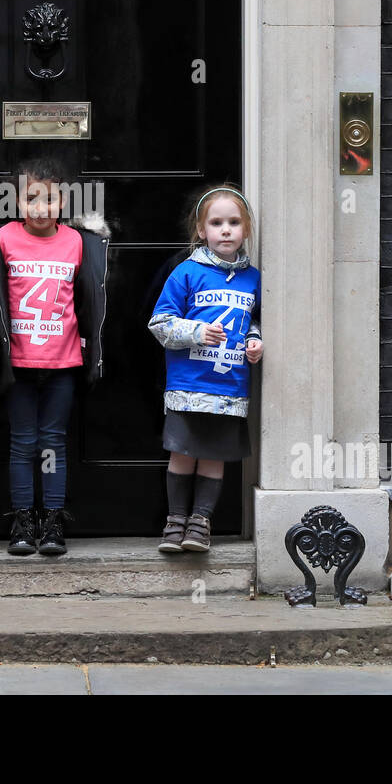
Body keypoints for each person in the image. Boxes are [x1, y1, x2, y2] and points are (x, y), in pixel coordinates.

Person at [0, 157, 108, 556]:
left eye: (50, 199)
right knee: (23, 442)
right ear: (16, 201)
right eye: (31, 199)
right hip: (18, 364)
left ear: (64, 201)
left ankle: (54, 521)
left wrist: (93, 352)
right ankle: (23, 521)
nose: (40, 208)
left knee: (53, 443)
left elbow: (91, 301)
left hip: (63, 362)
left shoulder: (77, 242)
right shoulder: (2, 240)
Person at [148, 186, 262, 553]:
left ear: (245, 230)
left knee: (213, 456)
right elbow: (160, 323)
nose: (225, 230)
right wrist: (197, 332)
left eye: (234, 223)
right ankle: (175, 521)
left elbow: (253, 320)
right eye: (217, 223)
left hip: (228, 388)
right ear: (201, 230)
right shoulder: (186, 273)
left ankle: (200, 524)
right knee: (183, 452)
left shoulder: (254, 279)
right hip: (188, 383)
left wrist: (255, 341)